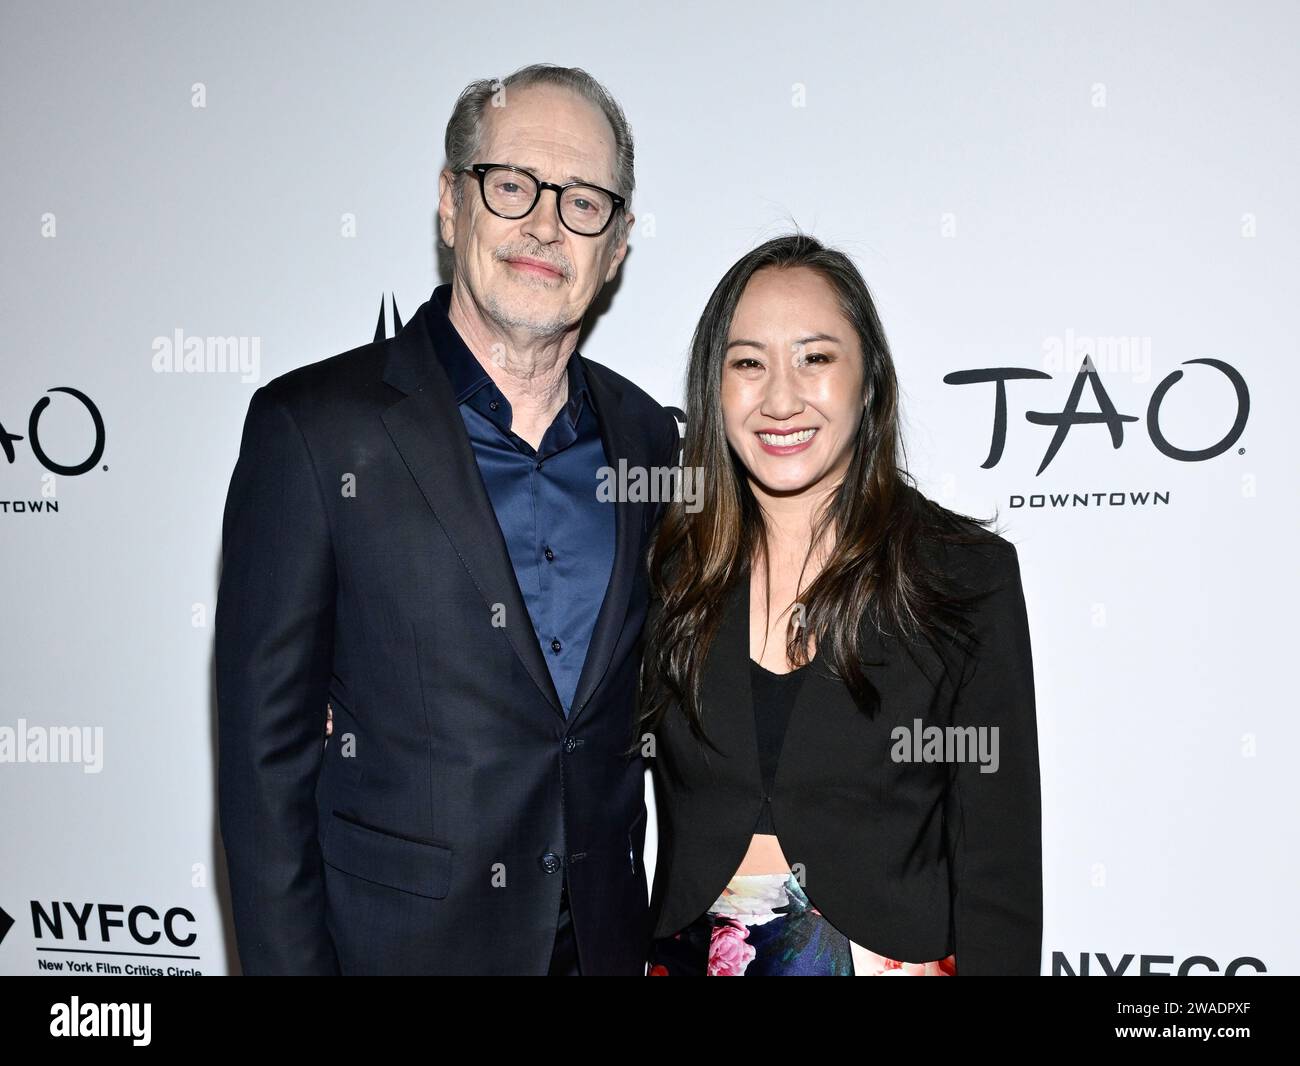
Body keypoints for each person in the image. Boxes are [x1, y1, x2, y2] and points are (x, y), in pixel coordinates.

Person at [215, 63, 679, 975]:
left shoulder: (652, 444)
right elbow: (262, 775)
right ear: (450, 204)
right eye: (512, 186)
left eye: (584, 200)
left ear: (617, 245)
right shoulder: (314, 431)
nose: (545, 224)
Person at [636, 233, 1042, 976]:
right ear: (713, 389)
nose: (780, 397)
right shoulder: (667, 572)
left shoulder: (961, 576)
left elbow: (1001, 864)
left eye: (815, 358)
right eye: (748, 363)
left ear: (870, 380)